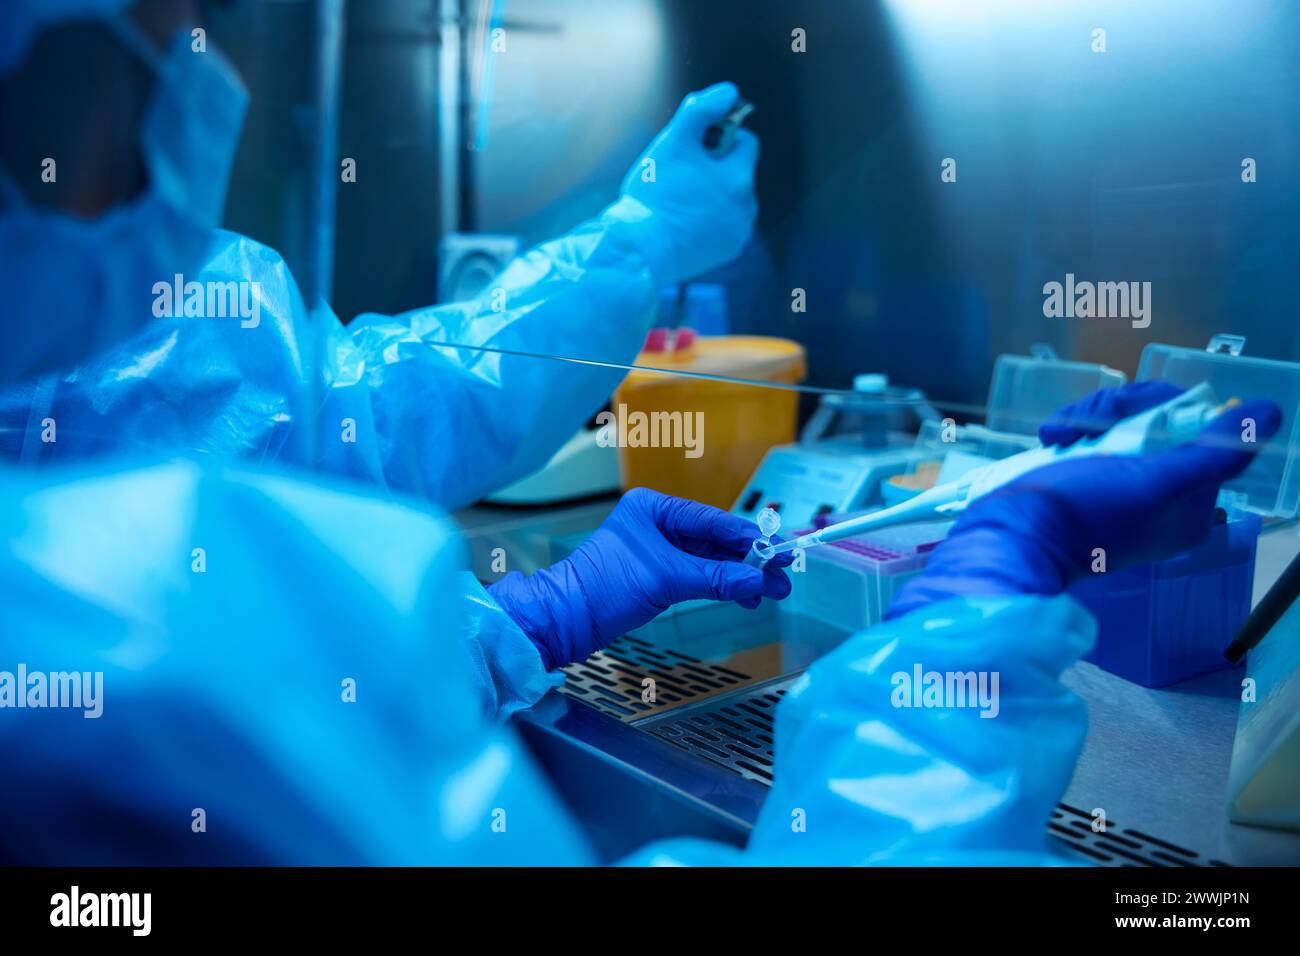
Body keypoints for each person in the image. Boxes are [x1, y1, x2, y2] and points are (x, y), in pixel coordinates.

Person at [0, 1, 1282, 865]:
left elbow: (355, 405)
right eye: (152, 48)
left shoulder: (105, 334)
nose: (193, 88)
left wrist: (530, 618)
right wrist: (969, 622)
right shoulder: (94, 678)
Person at [0, 0, 758, 514]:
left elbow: (360, 417)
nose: (202, 64)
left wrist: (636, 241)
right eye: (167, 36)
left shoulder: (123, 326)